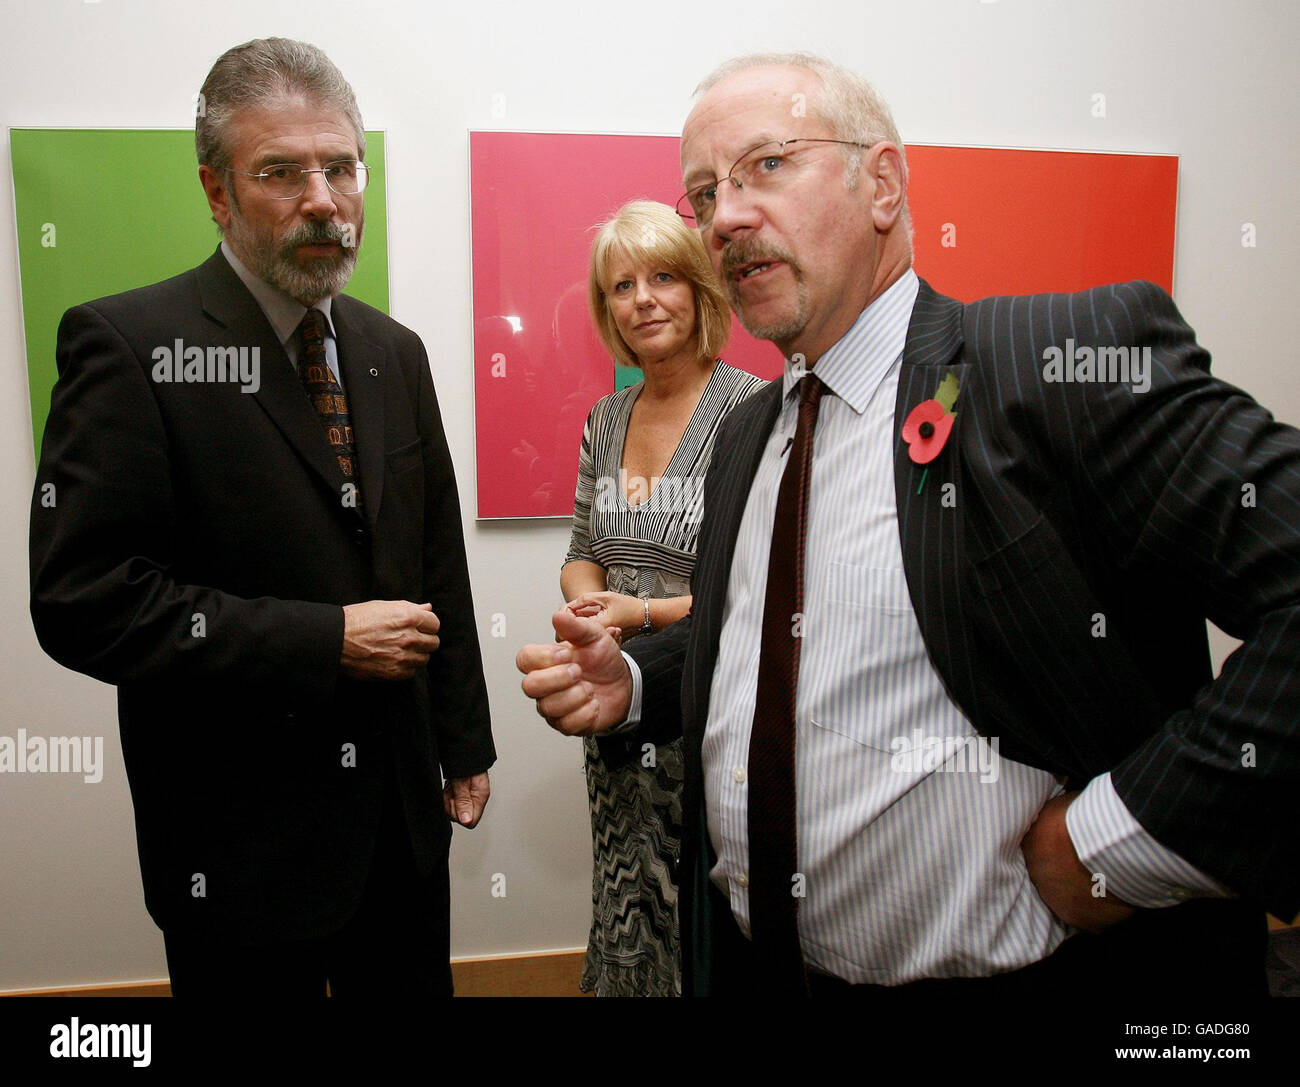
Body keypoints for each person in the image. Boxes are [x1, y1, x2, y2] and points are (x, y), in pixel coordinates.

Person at [518, 52, 1299, 998]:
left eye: (766, 164)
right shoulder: (750, 429)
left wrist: (1111, 845)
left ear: (881, 182)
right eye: (703, 192)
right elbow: (766, 640)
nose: (724, 216)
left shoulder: (1045, 366)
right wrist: (636, 681)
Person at [29, 37, 494, 997]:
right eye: (280, 172)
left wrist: (463, 739)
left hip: (400, 830)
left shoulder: (390, 350)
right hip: (239, 847)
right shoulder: (127, 345)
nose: (322, 198)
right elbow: (82, 600)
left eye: (340, 166)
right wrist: (323, 640)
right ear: (217, 192)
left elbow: (433, 556)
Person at [562, 200, 764, 996]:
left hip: (705, 709)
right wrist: (589, 609)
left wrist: (638, 614)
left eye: (663, 277)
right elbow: (584, 553)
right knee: (624, 895)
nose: (642, 298)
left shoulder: (754, 411)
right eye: (621, 286)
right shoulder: (605, 419)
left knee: (706, 914)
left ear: (701, 292)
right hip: (614, 705)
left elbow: (750, 587)